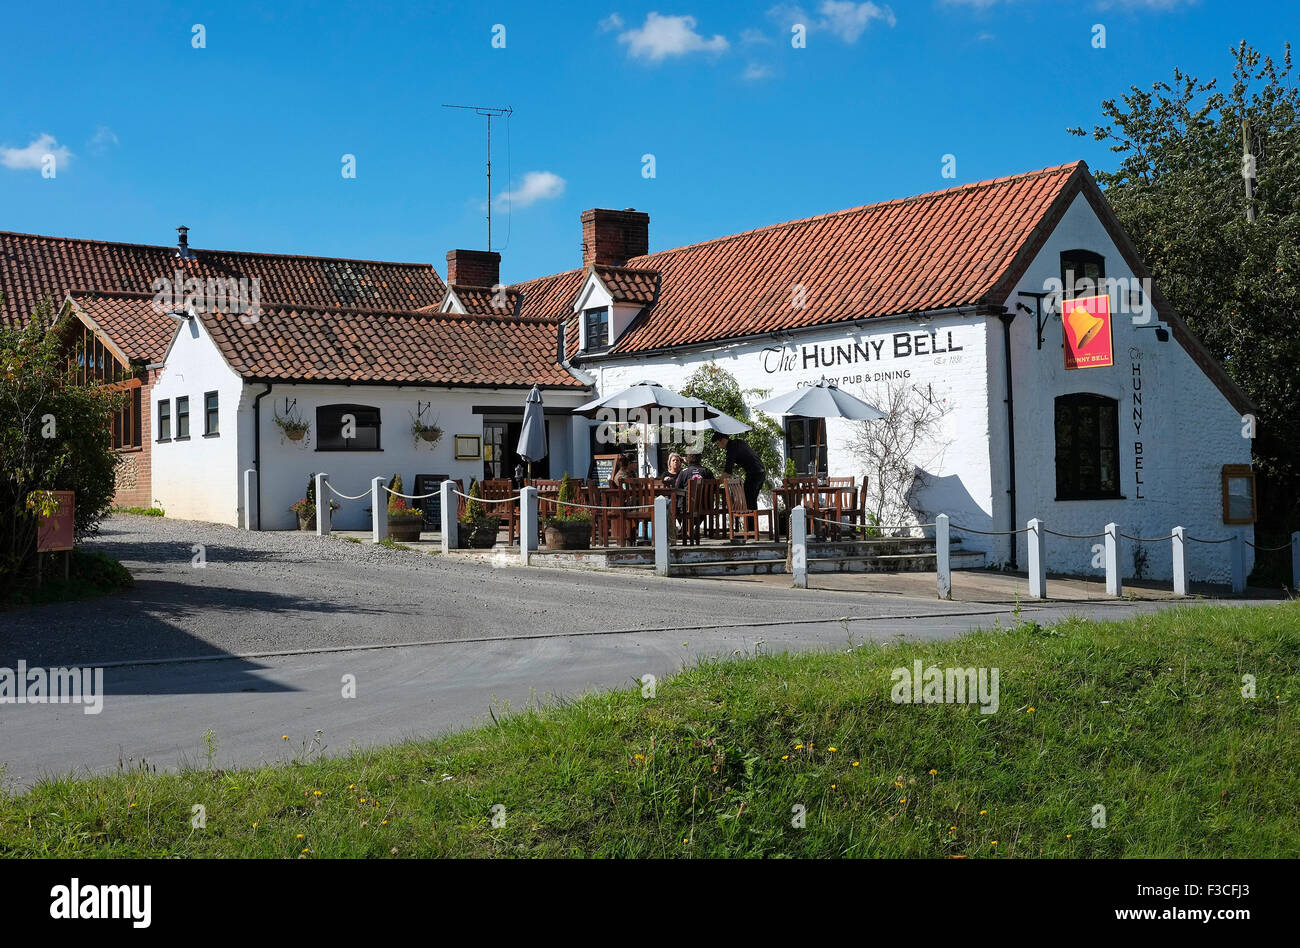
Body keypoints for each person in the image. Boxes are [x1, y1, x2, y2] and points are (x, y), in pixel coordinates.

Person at [713, 432, 765, 509]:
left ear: (723, 440)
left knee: (748, 502)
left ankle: (750, 521)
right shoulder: (739, 441)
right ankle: (753, 520)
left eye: (718, 443)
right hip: (762, 472)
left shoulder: (731, 449)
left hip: (753, 474)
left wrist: (716, 484)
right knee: (751, 500)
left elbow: (727, 472)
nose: (719, 446)